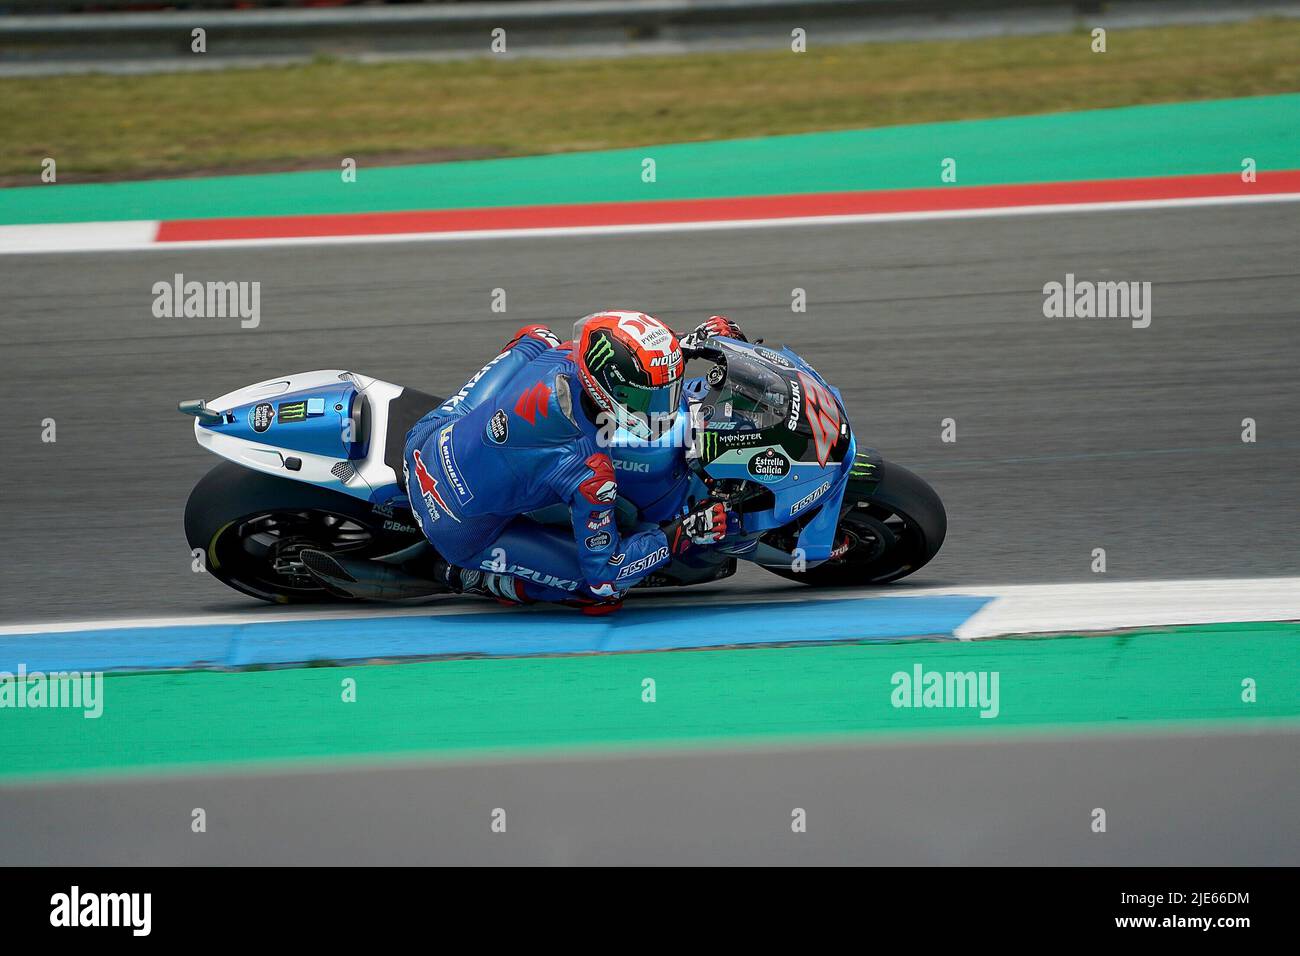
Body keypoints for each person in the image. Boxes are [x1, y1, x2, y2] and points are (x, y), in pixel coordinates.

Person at [399, 310, 744, 611]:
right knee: (602, 595)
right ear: (610, 389)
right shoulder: (590, 471)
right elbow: (606, 573)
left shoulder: (571, 354)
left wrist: (690, 343)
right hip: (459, 528)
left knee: (538, 337)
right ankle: (474, 577)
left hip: (427, 438)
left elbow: (628, 359)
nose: (660, 407)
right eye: (647, 398)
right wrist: (683, 534)